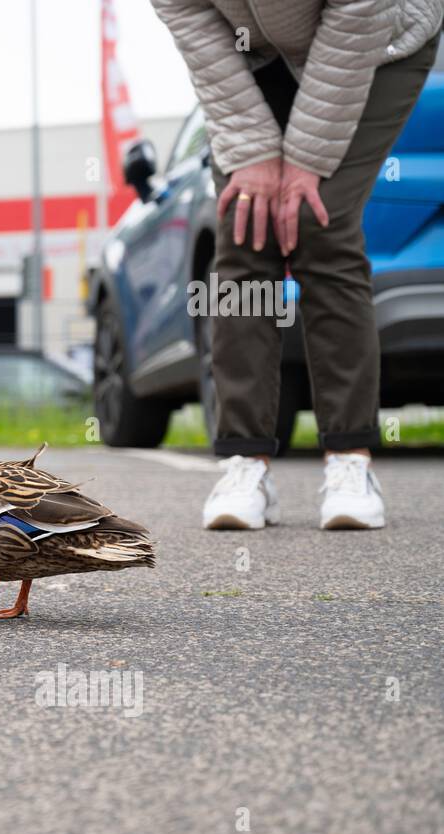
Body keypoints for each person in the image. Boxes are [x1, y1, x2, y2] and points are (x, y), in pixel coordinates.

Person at [151, 0, 442, 530]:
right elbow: (195, 24)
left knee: (318, 225)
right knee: (245, 228)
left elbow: (357, 13)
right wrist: (253, 151)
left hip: (377, 45)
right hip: (257, 58)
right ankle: (245, 462)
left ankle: (350, 461)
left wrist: (306, 162)